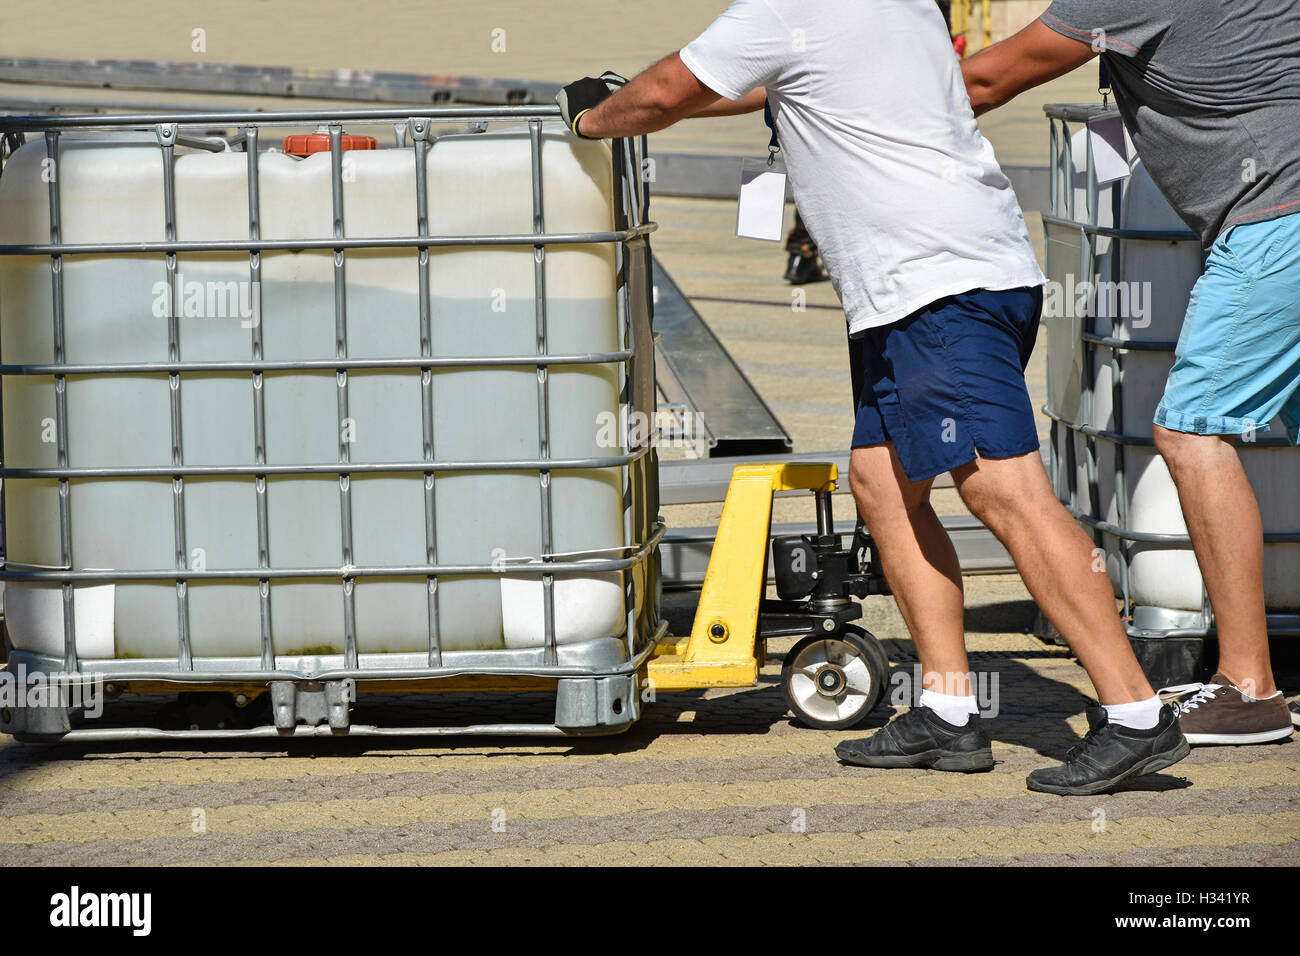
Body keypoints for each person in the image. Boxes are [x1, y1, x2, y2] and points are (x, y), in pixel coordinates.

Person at [557, 0, 1189, 794]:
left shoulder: (786, 7)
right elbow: (759, 84)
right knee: (883, 485)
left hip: (938, 285)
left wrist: (589, 118)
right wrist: (636, 97)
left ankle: (1135, 714)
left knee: (1006, 492)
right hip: (926, 286)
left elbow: (663, 95)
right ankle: (949, 710)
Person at [961, 1, 1299, 747]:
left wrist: (840, 96)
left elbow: (986, 79)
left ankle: (1249, 689)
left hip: (1278, 218)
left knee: (1190, 432)